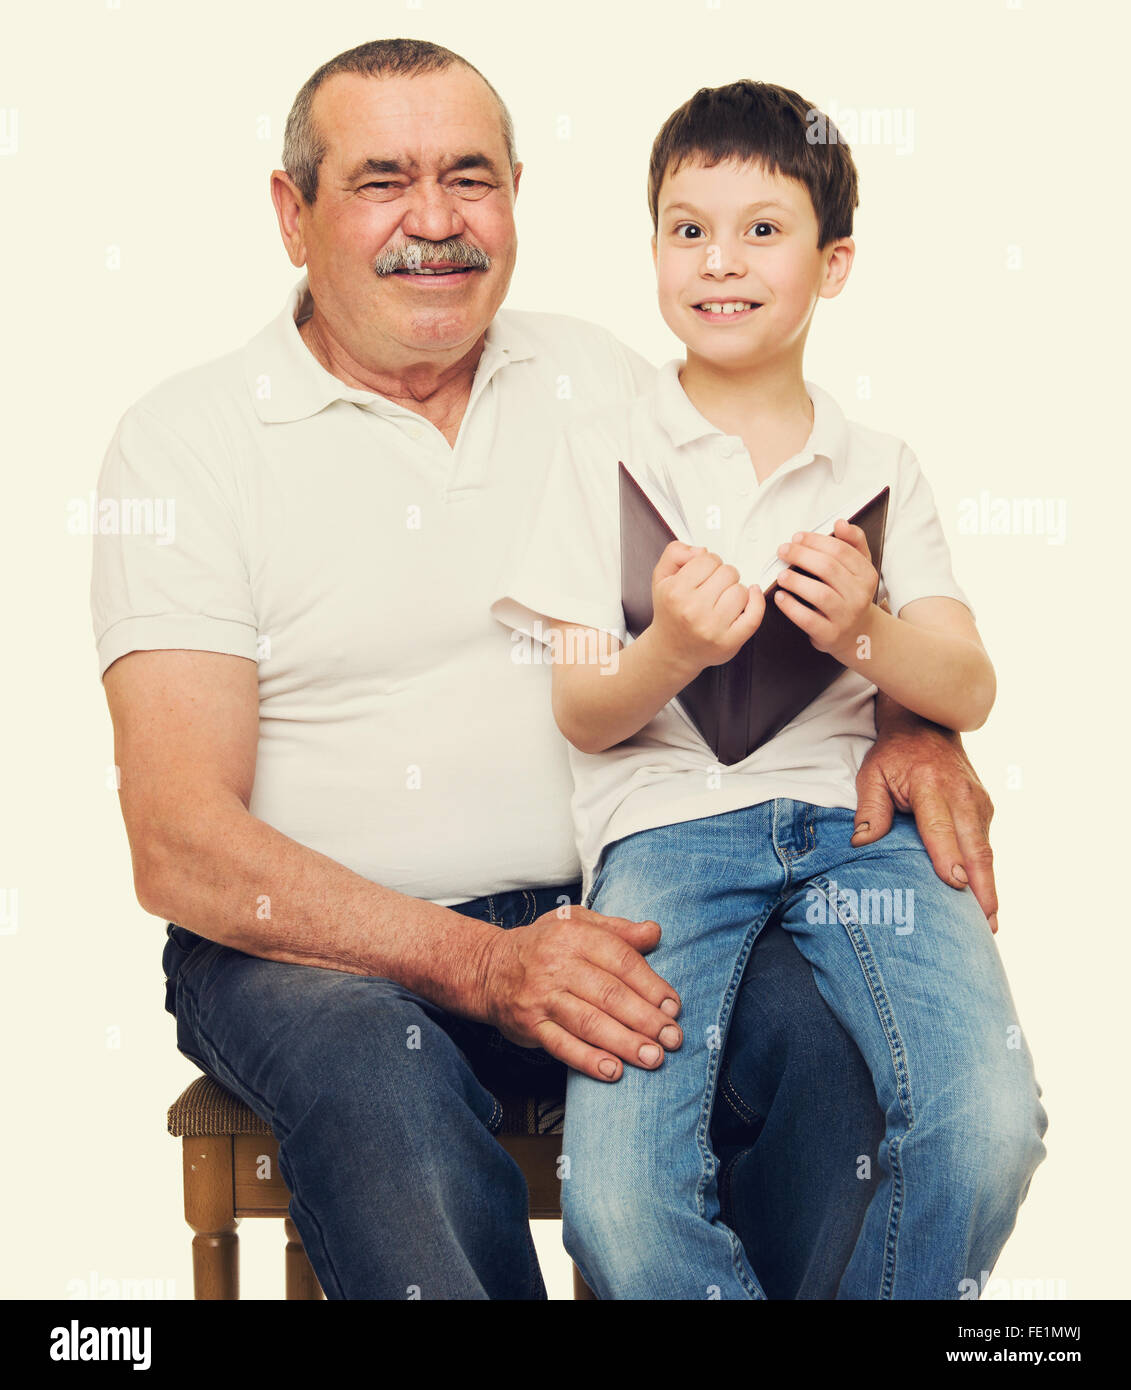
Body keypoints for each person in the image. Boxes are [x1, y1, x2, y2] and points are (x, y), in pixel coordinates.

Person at [91, 41, 1004, 1299]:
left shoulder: (608, 386)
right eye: (381, 182)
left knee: (835, 1050)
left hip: (616, 903)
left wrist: (912, 725)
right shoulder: (186, 442)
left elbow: (810, 602)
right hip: (312, 958)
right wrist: (479, 964)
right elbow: (179, 844)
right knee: (382, 1083)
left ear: (516, 196)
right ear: (292, 214)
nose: (434, 221)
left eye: (469, 178)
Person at [493, 79, 1047, 1299]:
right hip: (666, 837)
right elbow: (583, 709)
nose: (720, 260)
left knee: (987, 1125)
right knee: (620, 1205)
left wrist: (866, 634)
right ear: (651, 249)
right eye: (687, 229)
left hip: (861, 833)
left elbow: (969, 681)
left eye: (762, 229)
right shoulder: (602, 451)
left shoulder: (879, 465)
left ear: (833, 263)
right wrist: (670, 650)